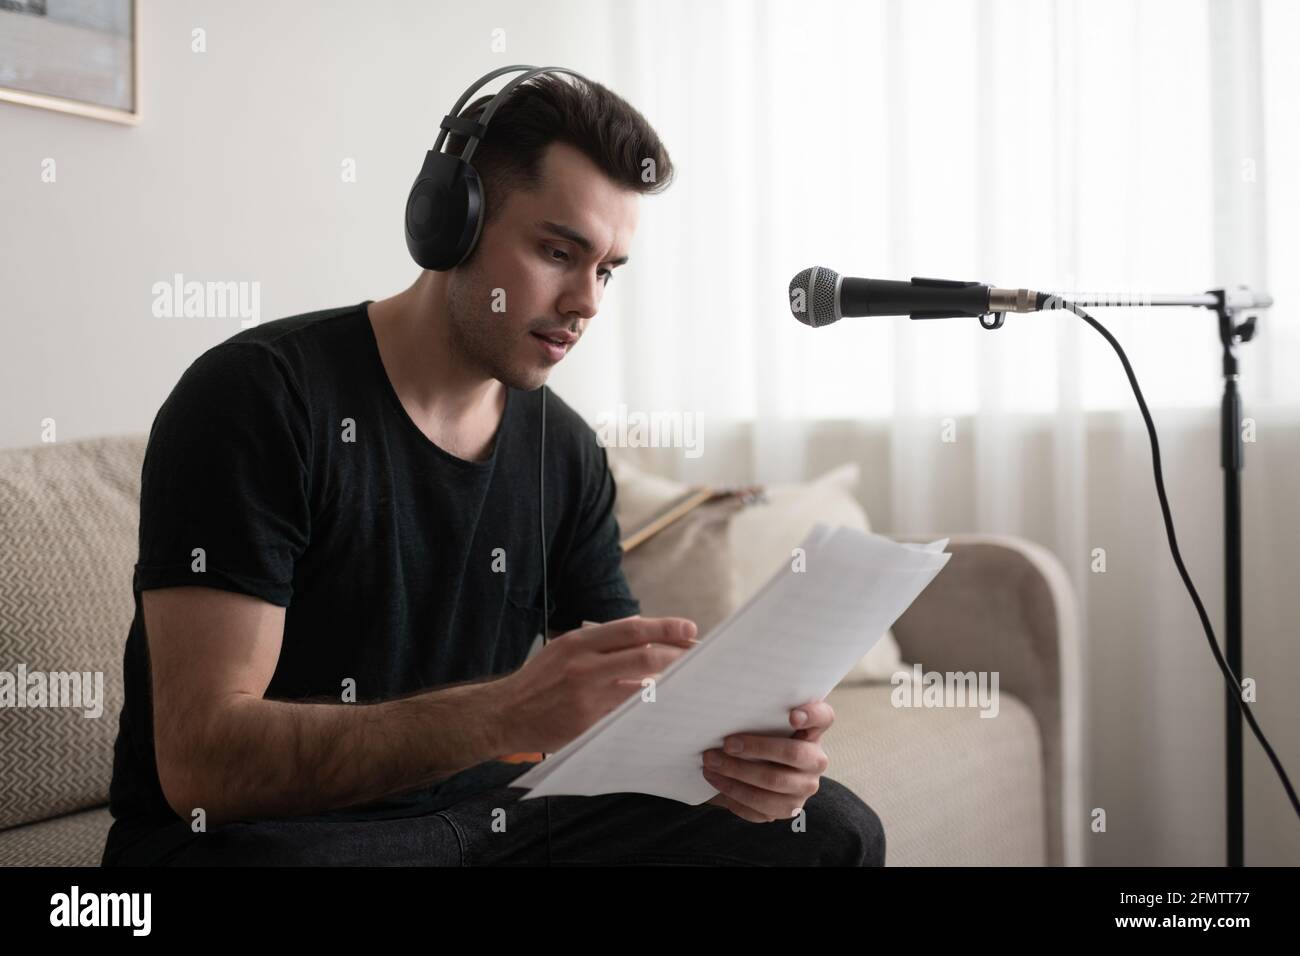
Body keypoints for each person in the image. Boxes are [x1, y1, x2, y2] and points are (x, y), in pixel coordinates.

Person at [101, 71, 885, 867]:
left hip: (485, 826)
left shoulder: (567, 451)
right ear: (450, 223)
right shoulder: (258, 398)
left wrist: (733, 757)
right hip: (278, 840)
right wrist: (502, 716)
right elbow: (204, 767)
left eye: (607, 268)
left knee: (826, 829)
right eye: (557, 252)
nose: (587, 301)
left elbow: (625, 710)